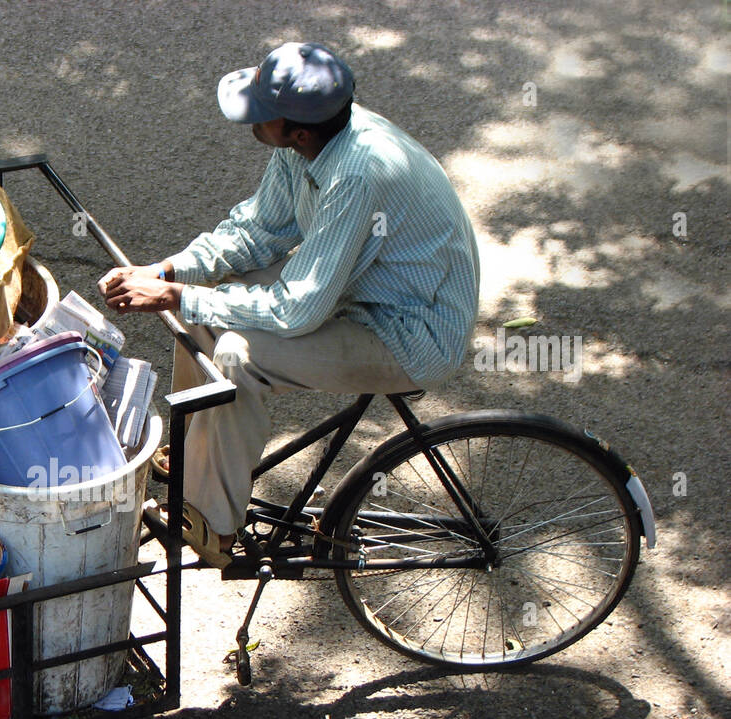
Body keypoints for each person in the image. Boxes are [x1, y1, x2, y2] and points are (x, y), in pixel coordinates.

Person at [98, 42, 480, 566]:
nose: (251, 121)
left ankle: (212, 523)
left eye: (262, 114)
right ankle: (197, 455)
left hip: (407, 329)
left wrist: (177, 296)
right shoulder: (310, 136)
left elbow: (297, 309)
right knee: (214, 302)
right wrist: (166, 272)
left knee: (238, 353)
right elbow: (257, 232)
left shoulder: (355, 175)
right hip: (365, 284)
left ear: (296, 129)